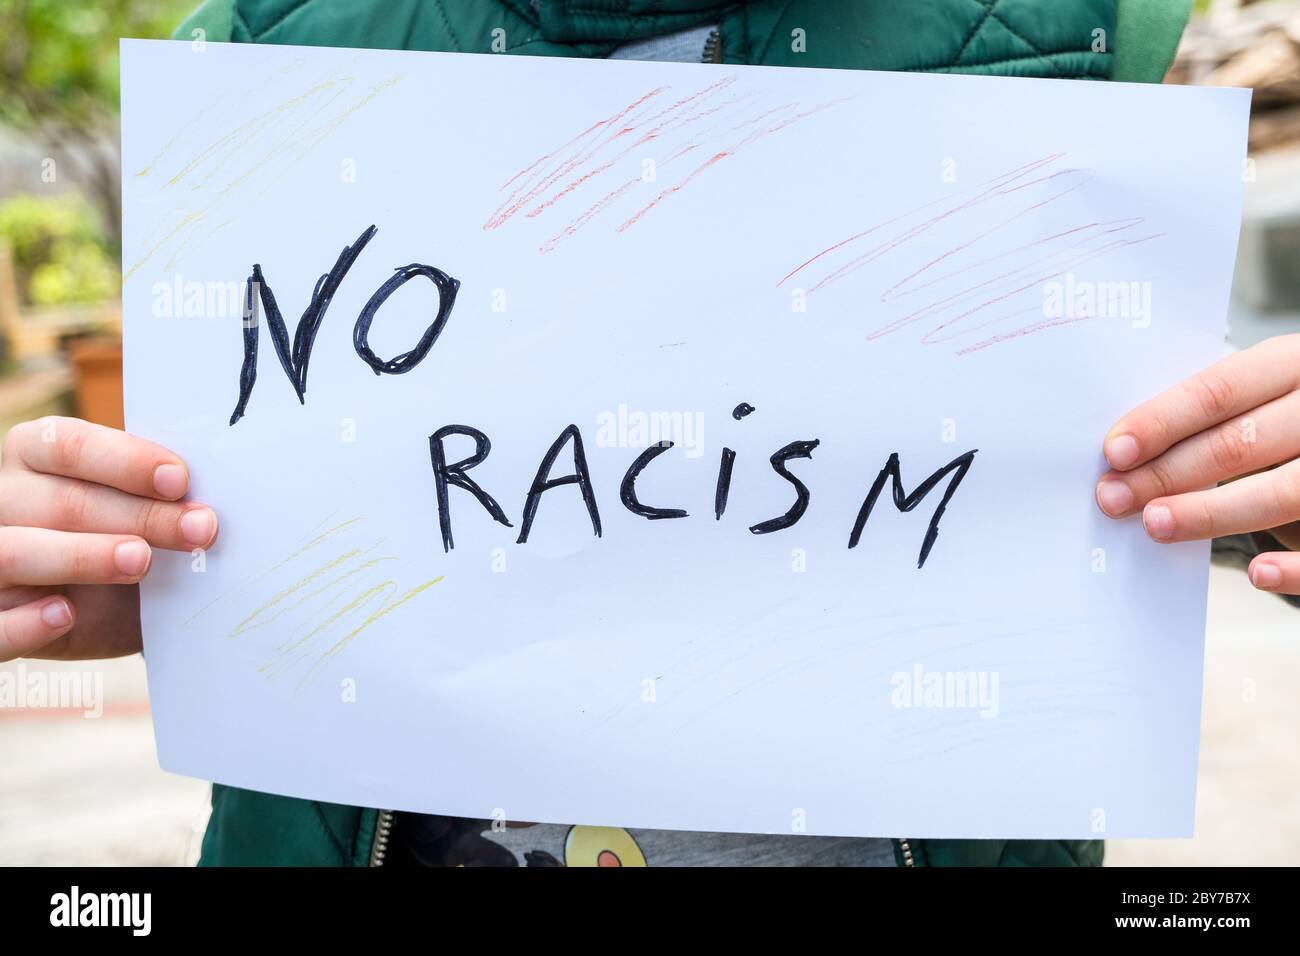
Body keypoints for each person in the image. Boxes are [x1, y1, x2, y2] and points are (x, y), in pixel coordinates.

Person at [6, 0, 1271, 866]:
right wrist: (119, 566)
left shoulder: (1079, 42)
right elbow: (214, 504)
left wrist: (1261, 480)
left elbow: (1153, 459)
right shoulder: (268, 51)